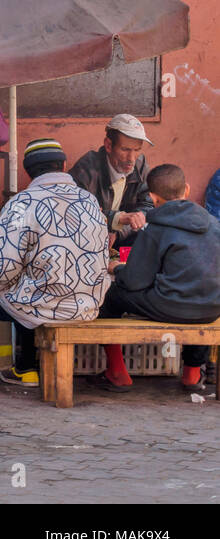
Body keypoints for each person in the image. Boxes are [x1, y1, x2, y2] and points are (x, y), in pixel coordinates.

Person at [0, 139, 110, 391]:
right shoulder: (90, 201)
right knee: (30, 285)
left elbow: (2, 268)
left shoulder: (22, 204)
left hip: (46, 305)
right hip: (88, 305)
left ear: (27, 171)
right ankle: (25, 369)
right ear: (64, 165)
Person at [90, 164, 220, 394]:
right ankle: (192, 373)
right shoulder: (213, 224)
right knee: (201, 296)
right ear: (187, 190)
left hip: (170, 305)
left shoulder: (154, 228)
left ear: (152, 197)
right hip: (212, 307)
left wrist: (117, 268)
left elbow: (135, 282)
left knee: (110, 296)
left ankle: (118, 373)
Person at [69, 114, 154, 248]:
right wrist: (115, 219)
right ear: (108, 145)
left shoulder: (140, 165)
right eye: (125, 149)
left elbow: (148, 205)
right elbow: (74, 212)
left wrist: (119, 232)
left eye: (137, 150)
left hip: (124, 240)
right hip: (90, 242)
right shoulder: (87, 169)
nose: (131, 158)